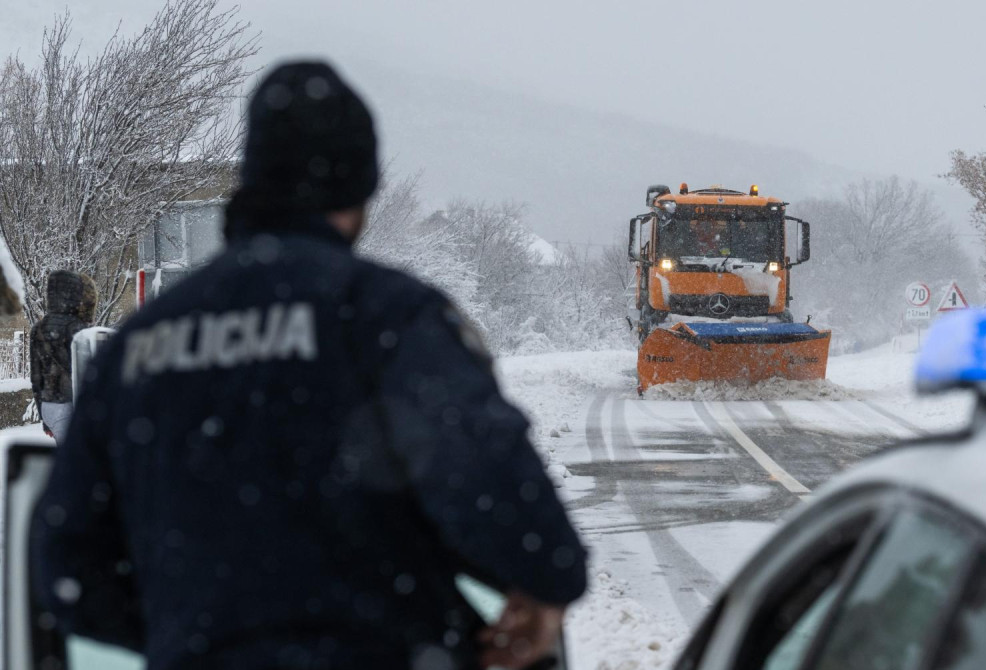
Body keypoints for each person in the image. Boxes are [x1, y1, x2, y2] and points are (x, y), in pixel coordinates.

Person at [32, 61, 586, 670]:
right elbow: (507, 502)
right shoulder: (387, 316)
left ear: (254, 180)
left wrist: (197, 631)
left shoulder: (138, 347)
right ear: (360, 186)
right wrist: (538, 590)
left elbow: (67, 565)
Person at [29, 270, 96, 444]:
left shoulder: (38, 328)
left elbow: (36, 378)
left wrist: (44, 417)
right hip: (70, 405)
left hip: (49, 406)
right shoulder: (78, 327)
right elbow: (85, 374)